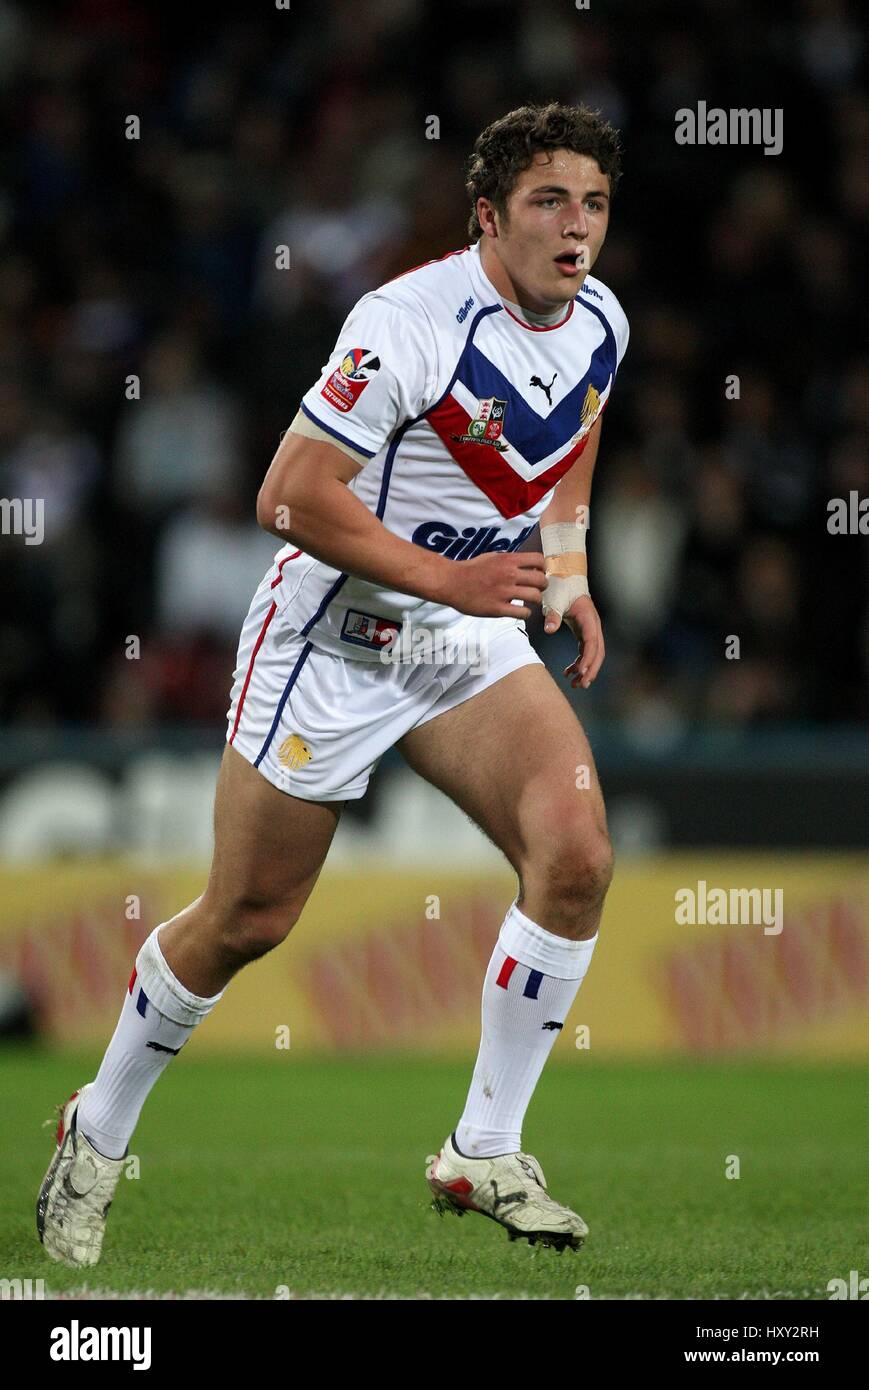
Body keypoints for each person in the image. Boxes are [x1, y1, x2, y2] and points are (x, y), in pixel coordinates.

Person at [37, 101, 629, 1265]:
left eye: (594, 204)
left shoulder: (599, 317)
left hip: (465, 640)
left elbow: (574, 444)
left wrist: (566, 572)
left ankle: (483, 1147)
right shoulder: (404, 321)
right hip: (338, 638)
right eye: (548, 202)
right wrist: (443, 583)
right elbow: (289, 496)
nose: (576, 229)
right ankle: (96, 1129)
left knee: (576, 852)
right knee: (248, 917)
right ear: (488, 216)